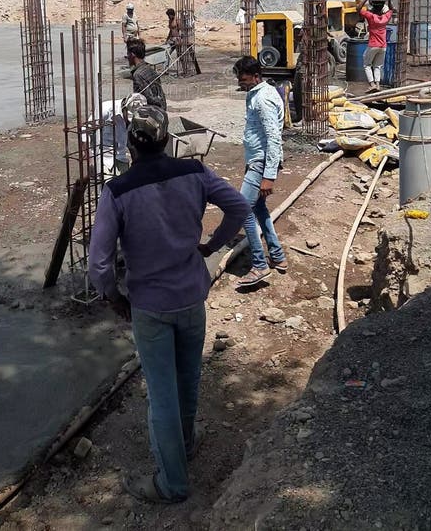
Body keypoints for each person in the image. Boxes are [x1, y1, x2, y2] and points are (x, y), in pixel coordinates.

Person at [89, 105, 250, 504]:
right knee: (188, 377)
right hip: (192, 297)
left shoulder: (118, 191)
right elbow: (240, 207)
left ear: (131, 144)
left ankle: (172, 483)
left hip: (150, 306)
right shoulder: (194, 173)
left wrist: (113, 297)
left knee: (161, 395)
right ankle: (187, 442)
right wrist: (212, 246)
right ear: (167, 141)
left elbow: (99, 262)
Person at [233, 55, 287, 287]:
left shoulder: (263, 99)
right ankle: (276, 255)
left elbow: (274, 138)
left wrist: (268, 176)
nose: (241, 84)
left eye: (244, 79)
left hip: (261, 163)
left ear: (256, 76)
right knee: (259, 209)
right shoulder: (257, 93)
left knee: (243, 207)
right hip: (257, 160)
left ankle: (259, 264)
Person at [358, 0, 393, 91]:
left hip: (373, 45)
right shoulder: (386, 17)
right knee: (377, 66)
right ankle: (378, 85)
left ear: (373, 8)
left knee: (367, 64)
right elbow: (391, 9)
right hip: (383, 46)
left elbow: (358, 8)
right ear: (382, 8)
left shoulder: (371, 16)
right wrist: (389, 0)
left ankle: (372, 84)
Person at [127, 39, 167, 110]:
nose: (127, 57)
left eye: (128, 54)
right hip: (161, 109)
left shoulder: (138, 75)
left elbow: (147, 98)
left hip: (151, 112)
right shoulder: (150, 69)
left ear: (132, 55)